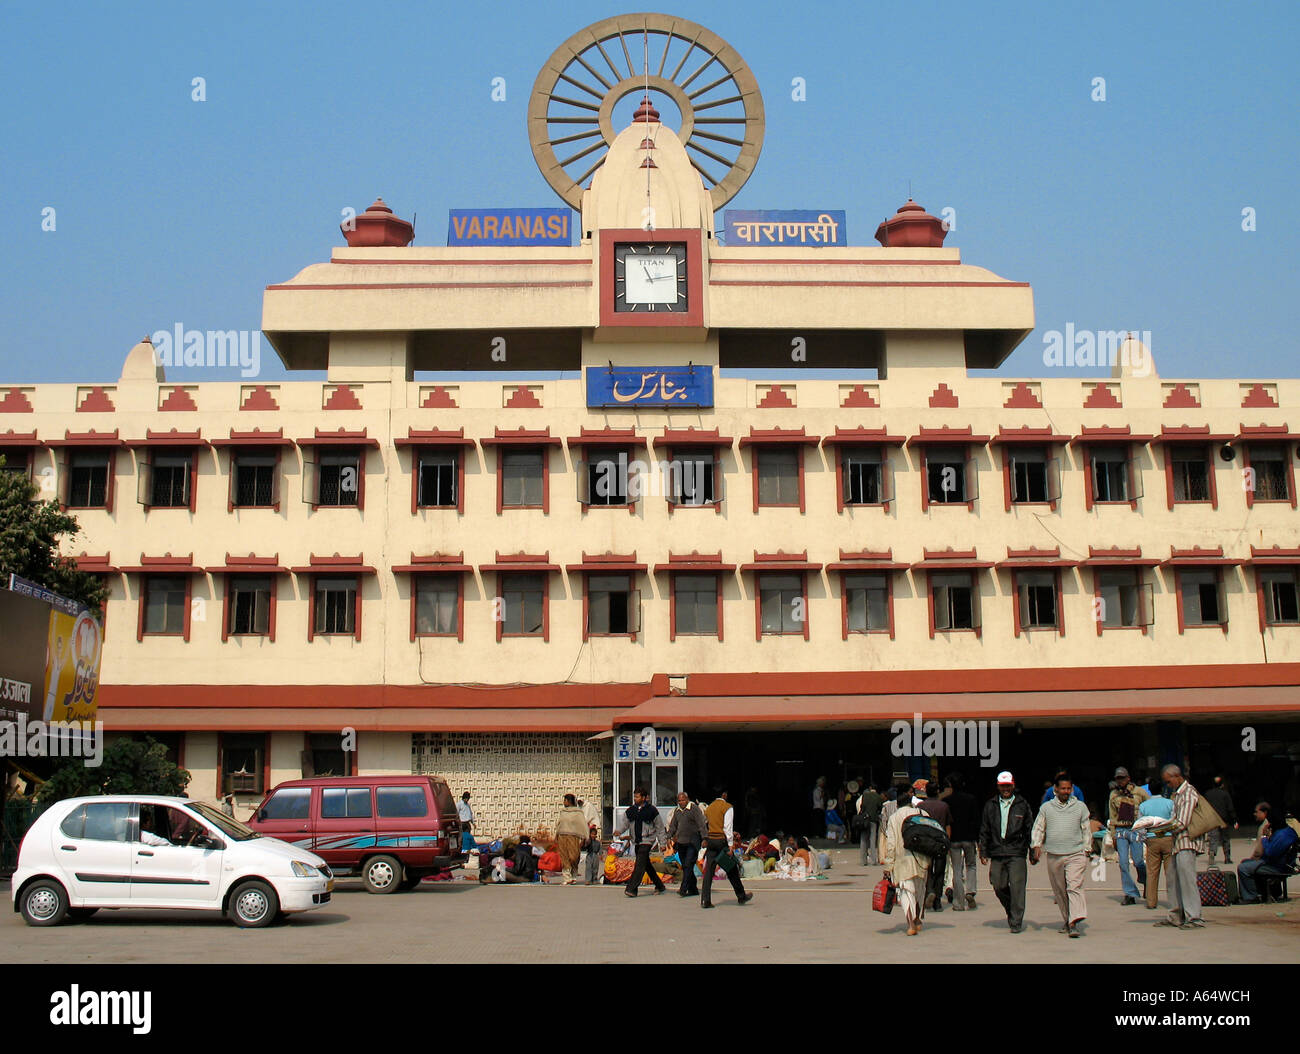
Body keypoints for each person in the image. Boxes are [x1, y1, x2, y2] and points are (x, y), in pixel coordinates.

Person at [1031, 774, 1092, 937]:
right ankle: (1068, 920)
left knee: (1074, 886)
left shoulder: (1080, 807)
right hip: (1054, 854)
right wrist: (1036, 845)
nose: (1066, 792)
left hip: (1076, 853)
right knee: (1060, 890)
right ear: (1055, 789)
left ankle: (1074, 922)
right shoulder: (1046, 808)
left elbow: (1086, 828)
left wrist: (1087, 848)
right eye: (1063, 788)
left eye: (1068, 789)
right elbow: (1039, 827)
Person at [979, 771, 1032, 933]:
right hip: (997, 851)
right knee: (998, 884)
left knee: (1017, 888)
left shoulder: (1022, 804)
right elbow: (985, 829)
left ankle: (1016, 921)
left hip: (1016, 852)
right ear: (998, 787)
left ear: (1013, 785)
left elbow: (1029, 828)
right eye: (1002, 786)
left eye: (1008, 786)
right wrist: (983, 850)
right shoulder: (991, 805)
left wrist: (1033, 848)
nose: (1005, 789)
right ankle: (1011, 909)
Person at [1153, 764, 1205, 930]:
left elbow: (1182, 822)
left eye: (1169, 781)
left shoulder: (1189, 793)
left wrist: (1162, 830)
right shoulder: (1177, 795)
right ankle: (1175, 915)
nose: (1168, 785)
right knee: (1173, 880)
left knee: (1187, 880)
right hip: (1176, 843)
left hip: (1186, 842)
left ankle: (1194, 917)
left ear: (1176, 776)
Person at [883, 789, 937, 936]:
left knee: (907, 892)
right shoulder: (923, 814)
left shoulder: (894, 818)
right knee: (920, 890)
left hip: (903, 860)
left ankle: (911, 924)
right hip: (922, 859)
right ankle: (918, 919)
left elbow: (891, 844)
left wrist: (888, 865)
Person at [700, 789, 753, 908]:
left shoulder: (709, 808)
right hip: (721, 841)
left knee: (709, 871)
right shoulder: (727, 807)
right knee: (731, 868)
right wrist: (730, 845)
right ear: (724, 794)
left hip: (711, 840)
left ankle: (705, 900)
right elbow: (727, 827)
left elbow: (705, 824)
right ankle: (741, 895)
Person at [1238, 805, 1300, 903]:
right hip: (1282, 863)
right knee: (1246, 862)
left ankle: (1251, 897)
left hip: (1277, 866)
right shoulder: (1287, 831)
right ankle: (1267, 892)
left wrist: (1265, 837)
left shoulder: (1282, 835)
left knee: (1243, 868)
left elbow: (1269, 853)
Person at [615, 787, 667, 898]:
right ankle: (659, 885)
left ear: (644, 798)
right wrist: (619, 831)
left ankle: (632, 888)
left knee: (639, 864)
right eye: (634, 796)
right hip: (636, 841)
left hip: (647, 841)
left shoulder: (652, 810)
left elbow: (660, 828)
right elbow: (625, 823)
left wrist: (662, 844)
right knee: (646, 864)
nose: (635, 799)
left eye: (637, 797)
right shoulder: (631, 811)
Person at [1108, 766, 1149, 906]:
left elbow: (1148, 806)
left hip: (1135, 829)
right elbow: (1112, 815)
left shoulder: (1139, 792)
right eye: (1117, 779)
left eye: (1122, 778)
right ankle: (1130, 893)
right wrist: (1113, 835)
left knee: (1138, 861)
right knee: (1123, 863)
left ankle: (1147, 882)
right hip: (1121, 830)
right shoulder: (1114, 795)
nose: (1120, 781)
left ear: (1128, 778)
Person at [944, 773, 980, 910]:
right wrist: (978, 840)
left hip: (954, 839)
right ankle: (970, 891)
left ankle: (958, 902)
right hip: (969, 838)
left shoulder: (947, 801)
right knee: (971, 865)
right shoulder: (971, 799)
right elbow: (976, 820)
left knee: (957, 869)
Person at [915, 779, 952, 912]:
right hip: (940, 841)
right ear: (937, 791)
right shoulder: (944, 806)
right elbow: (948, 825)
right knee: (940, 871)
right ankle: (937, 901)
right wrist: (947, 842)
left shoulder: (920, 806)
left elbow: (917, 825)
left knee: (928, 870)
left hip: (926, 842)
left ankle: (929, 891)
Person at [1138, 786, 1175, 910]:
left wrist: (1145, 839)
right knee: (1170, 873)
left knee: (1152, 872)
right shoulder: (1170, 803)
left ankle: (1151, 902)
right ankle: (1174, 902)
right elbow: (1174, 820)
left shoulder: (1144, 805)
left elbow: (1140, 824)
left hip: (1151, 839)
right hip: (1168, 838)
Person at [667, 790, 708, 898]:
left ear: (687, 799)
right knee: (685, 866)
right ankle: (693, 888)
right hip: (681, 842)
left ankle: (683, 889)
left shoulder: (694, 809)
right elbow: (673, 826)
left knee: (688, 864)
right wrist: (668, 837)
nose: (681, 802)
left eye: (683, 800)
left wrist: (704, 838)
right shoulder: (677, 811)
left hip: (692, 842)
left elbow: (701, 824)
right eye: (679, 801)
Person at [1203, 775, 1238, 866]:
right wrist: (1234, 820)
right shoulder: (1225, 794)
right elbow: (1230, 808)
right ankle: (1227, 858)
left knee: (1213, 838)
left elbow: (1204, 807)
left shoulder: (1207, 794)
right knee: (1225, 839)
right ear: (1222, 785)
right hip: (1223, 820)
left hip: (1212, 820)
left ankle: (1212, 853)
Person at [555, 793, 588, 885]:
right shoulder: (563, 812)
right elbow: (559, 824)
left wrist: (586, 836)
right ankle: (567, 877)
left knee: (574, 857)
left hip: (573, 837)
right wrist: (556, 835)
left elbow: (583, 825)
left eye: (566, 800)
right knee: (564, 857)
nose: (564, 802)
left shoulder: (578, 812)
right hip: (562, 836)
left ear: (570, 801)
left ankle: (573, 875)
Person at [855, 782, 883, 866]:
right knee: (872, 839)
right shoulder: (878, 797)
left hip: (864, 820)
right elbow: (880, 808)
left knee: (863, 839)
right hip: (873, 820)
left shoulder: (865, 795)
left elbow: (862, 806)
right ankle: (873, 860)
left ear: (870, 788)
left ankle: (863, 861)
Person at [578, 798, 603, 885]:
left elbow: (587, 818)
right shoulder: (579, 807)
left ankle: (594, 879)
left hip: (595, 855)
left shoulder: (588, 806)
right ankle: (588, 879)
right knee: (588, 867)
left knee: (595, 867)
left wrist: (601, 854)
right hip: (590, 855)